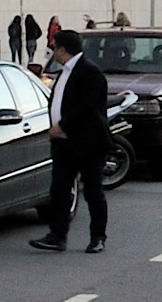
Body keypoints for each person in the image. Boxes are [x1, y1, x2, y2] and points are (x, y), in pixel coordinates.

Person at [28, 27, 109, 255]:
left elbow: (87, 107)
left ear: (63, 49)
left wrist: (62, 125)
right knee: (60, 190)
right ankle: (57, 235)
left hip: (88, 144)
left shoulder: (89, 72)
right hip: (64, 144)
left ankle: (97, 237)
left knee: (93, 191)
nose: (52, 52)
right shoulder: (64, 72)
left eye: (53, 47)